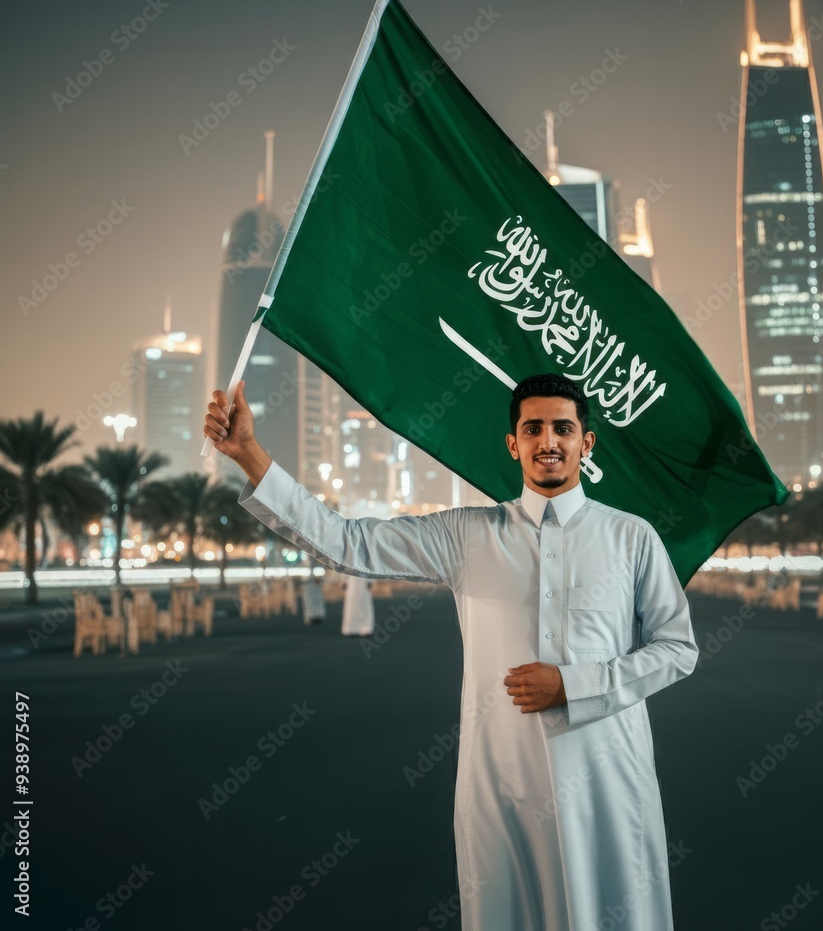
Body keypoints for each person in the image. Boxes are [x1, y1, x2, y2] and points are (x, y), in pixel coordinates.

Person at [204, 372, 698, 931]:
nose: (548, 441)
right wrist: (248, 454)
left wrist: (573, 684)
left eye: (563, 428)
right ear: (513, 445)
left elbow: (678, 647)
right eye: (532, 429)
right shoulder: (470, 534)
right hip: (503, 780)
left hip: (609, 778)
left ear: (587, 443)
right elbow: (348, 542)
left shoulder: (633, 537)